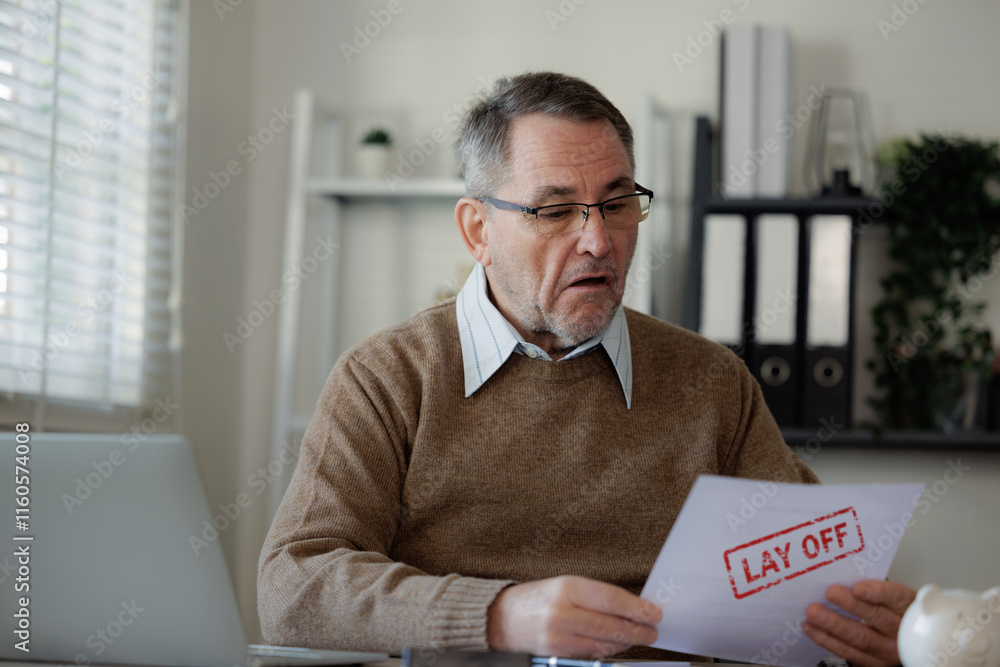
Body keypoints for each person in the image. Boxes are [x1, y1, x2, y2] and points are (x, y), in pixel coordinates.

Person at [257, 71, 916, 665]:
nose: (598, 239)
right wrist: (499, 614)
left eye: (617, 201)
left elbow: (806, 573)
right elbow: (295, 586)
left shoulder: (714, 382)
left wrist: (878, 628)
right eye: (555, 209)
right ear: (478, 231)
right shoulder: (387, 379)